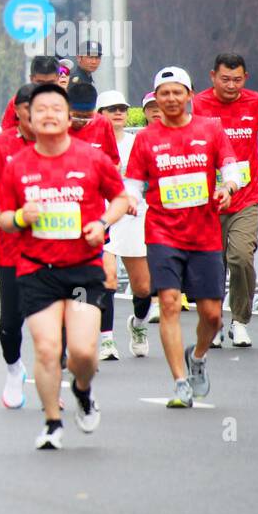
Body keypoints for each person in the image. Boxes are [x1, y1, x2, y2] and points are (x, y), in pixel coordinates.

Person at [0, 83, 131, 450]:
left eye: (57, 108)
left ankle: (83, 390)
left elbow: (121, 198)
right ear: (28, 117)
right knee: (46, 348)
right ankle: (52, 421)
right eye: (41, 109)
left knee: (84, 353)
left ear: (69, 116)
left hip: (82, 270)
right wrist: (23, 216)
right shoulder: (17, 166)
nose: (49, 115)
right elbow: (4, 217)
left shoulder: (91, 158)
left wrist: (102, 224)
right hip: (37, 269)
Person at [124, 67, 242, 408]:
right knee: (171, 303)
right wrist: (130, 200)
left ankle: (199, 357)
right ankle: (179, 383)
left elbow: (231, 168)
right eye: (164, 93)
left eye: (178, 92)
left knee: (212, 316)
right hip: (162, 232)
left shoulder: (210, 129)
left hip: (204, 234)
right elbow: (133, 183)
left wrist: (227, 187)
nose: (171, 99)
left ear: (190, 95)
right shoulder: (146, 138)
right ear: (156, 99)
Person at [192, 53, 258, 348]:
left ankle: (240, 320)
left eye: (238, 79)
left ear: (246, 78)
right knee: (212, 264)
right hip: (208, 200)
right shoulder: (199, 105)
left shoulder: (255, 102)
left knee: (241, 257)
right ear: (212, 76)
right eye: (225, 79)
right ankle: (214, 320)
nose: (231, 85)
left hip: (245, 198)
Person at [0, 83, 37, 408]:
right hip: (12, 248)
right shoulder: (0, 146)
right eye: (32, 112)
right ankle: (14, 368)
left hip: (57, 250)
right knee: (10, 322)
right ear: (18, 112)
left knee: (57, 319)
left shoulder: (64, 145)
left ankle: (60, 375)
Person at [96, 90, 155, 359]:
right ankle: (106, 340)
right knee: (107, 279)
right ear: (100, 115)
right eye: (111, 109)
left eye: (122, 108)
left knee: (143, 287)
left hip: (133, 215)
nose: (118, 113)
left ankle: (138, 325)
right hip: (103, 215)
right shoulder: (91, 144)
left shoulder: (138, 142)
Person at [1, 55, 65, 129]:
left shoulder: (67, 101)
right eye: (40, 83)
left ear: (58, 78)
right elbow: (6, 134)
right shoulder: (18, 102)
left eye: (50, 83)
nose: (45, 88)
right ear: (31, 78)